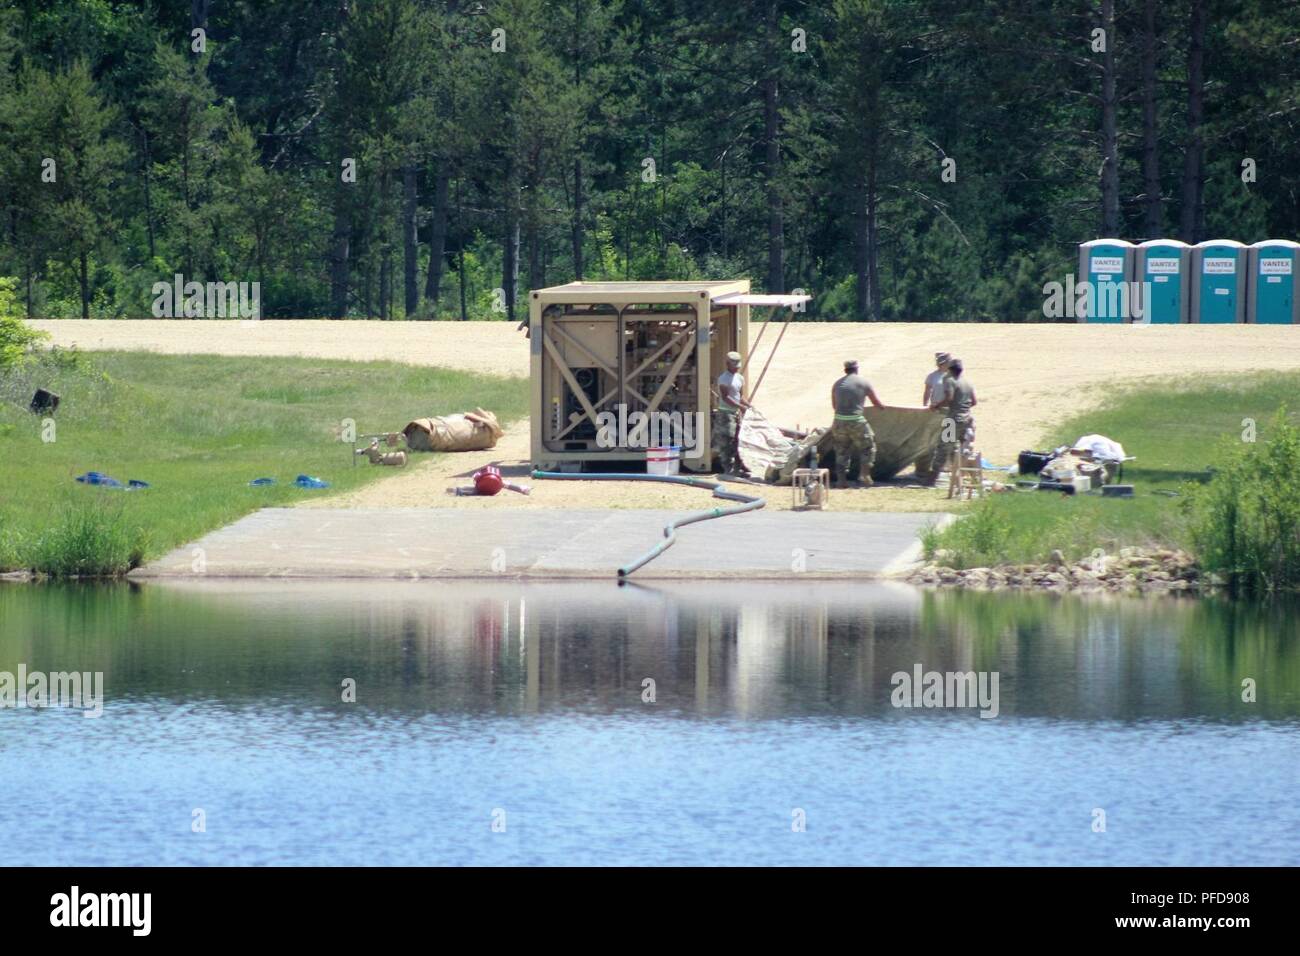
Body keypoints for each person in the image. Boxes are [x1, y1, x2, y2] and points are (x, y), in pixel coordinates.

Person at [830, 359, 883, 488]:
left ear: (845, 370)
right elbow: (876, 403)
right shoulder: (863, 382)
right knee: (868, 447)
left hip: (838, 421)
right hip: (856, 421)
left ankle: (841, 481)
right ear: (857, 369)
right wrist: (883, 408)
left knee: (841, 450)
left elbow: (834, 405)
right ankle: (864, 476)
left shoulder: (837, 384)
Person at [923, 357, 977, 485]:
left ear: (950, 369)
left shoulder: (949, 380)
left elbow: (949, 398)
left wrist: (936, 405)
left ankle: (932, 478)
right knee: (963, 450)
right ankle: (970, 477)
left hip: (952, 420)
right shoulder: (968, 383)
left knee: (943, 448)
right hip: (967, 420)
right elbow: (974, 402)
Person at [712, 351, 749, 474]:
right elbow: (725, 397)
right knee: (727, 441)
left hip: (736, 414)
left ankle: (739, 465)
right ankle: (728, 467)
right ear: (727, 364)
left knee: (739, 440)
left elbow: (740, 396)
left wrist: (748, 405)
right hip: (726, 414)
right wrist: (740, 406)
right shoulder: (724, 379)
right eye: (734, 365)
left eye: (737, 366)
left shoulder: (740, 378)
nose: (736, 368)